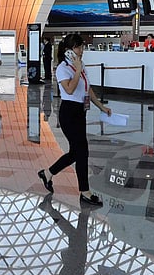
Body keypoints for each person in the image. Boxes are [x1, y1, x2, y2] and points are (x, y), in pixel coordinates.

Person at [37, 33, 112, 206]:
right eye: (78, 47)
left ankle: (48, 173)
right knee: (82, 152)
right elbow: (69, 90)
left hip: (80, 112)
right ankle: (85, 192)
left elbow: (88, 89)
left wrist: (102, 107)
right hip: (68, 113)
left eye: (82, 47)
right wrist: (78, 69)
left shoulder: (80, 65)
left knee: (75, 152)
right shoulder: (63, 68)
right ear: (69, 50)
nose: (81, 50)